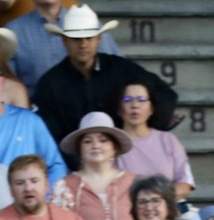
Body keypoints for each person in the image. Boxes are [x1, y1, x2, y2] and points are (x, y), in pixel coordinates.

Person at [32, 4, 175, 143]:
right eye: (76, 39)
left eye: (89, 38)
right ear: (64, 41)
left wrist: (146, 133)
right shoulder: (50, 84)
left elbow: (165, 94)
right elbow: (49, 136)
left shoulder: (122, 69)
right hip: (72, 158)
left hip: (126, 153)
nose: (83, 44)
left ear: (98, 39)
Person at [0, 56, 64, 182]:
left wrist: (48, 193)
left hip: (28, 193)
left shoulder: (29, 120)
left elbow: (56, 165)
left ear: (3, 83)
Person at [51, 109, 134, 220]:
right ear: (80, 149)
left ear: (114, 148)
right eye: (88, 141)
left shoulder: (133, 183)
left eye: (103, 140)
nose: (95, 145)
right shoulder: (64, 187)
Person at [10, 0, 121, 92]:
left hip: (90, 105)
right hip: (35, 108)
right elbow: (7, 85)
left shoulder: (89, 25)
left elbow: (117, 72)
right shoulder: (14, 31)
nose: (83, 43)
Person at [113, 80, 188, 202]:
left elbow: (185, 185)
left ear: (151, 109)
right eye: (127, 99)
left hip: (169, 206)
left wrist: (156, 202)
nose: (135, 105)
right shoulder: (113, 143)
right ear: (119, 109)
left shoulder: (168, 140)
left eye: (141, 100)